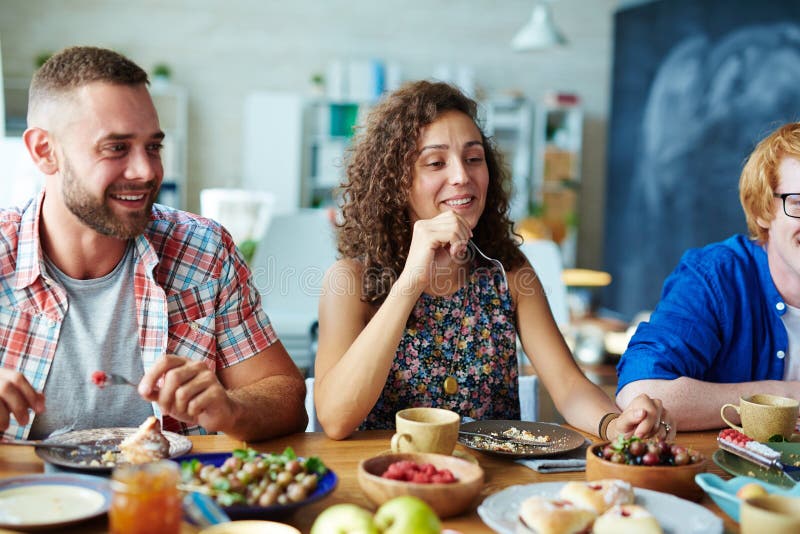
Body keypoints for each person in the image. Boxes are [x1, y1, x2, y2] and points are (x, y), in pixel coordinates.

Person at [314, 80, 673, 441]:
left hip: (494, 480)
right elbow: (335, 418)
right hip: (391, 477)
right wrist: (410, 281)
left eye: (473, 159)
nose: (462, 176)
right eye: (436, 162)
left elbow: (568, 387)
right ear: (395, 183)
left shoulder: (510, 273)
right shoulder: (350, 281)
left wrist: (615, 425)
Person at [0, 46, 307, 441]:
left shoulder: (203, 248)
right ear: (45, 151)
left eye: (153, 146)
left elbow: (286, 396)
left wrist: (233, 409)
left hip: (172, 494)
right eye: (116, 147)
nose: (147, 171)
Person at [617, 122, 800, 430]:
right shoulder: (715, 277)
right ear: (763, 211)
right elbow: (641, 390)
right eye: (799, 204)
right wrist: (787, 397)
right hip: (722, 476)